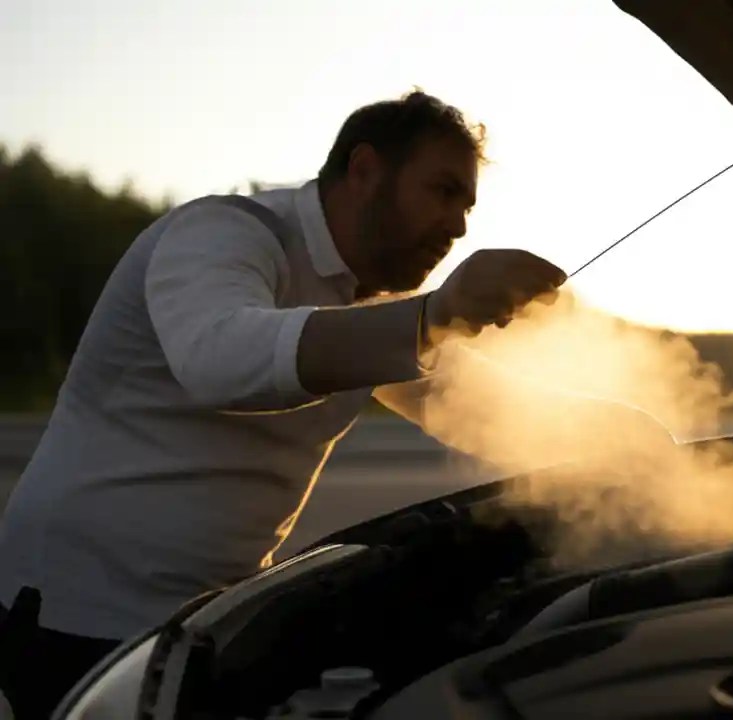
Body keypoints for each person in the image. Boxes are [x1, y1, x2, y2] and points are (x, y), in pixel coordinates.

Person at [0, 89, 565, 719]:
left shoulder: (368, 304)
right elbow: (220, 360)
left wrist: (643, 447)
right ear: (365, 169)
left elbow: (486, 408)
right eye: (442, 192)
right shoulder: (221, 232)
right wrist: (433, 316)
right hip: (79, 618)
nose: (459, 226)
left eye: (467, 205)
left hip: (209, 621)